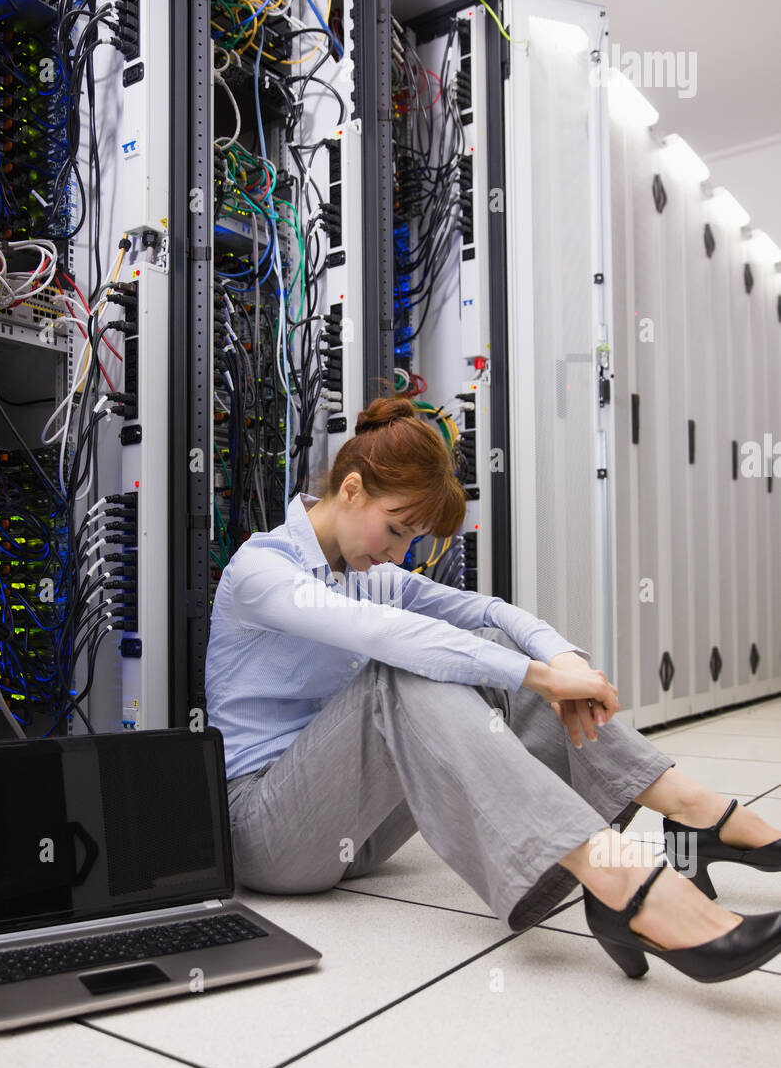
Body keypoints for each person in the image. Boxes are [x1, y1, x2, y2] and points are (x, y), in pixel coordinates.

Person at [204, 396, 781, 984]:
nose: (399, 554)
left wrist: (557, 659)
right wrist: (540, 677)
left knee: (488, 647)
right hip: (267, 832)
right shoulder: (263, 570)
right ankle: (622, 882)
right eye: (398, 529)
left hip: (360, 832)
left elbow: (492, 611)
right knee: (404, 670)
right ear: (350, 490)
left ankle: (693, 811)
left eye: (412, 541)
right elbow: (386, 634)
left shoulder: (369, 574)